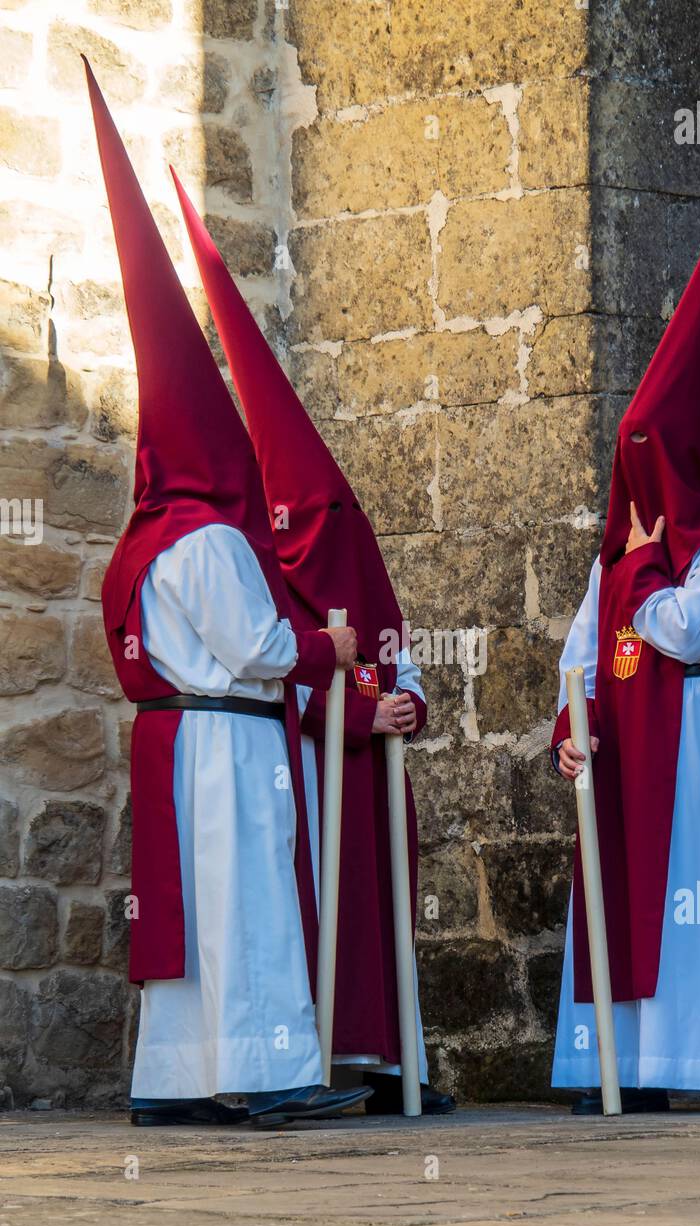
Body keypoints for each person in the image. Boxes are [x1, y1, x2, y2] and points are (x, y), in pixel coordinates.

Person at [85, 59, 372, 1128]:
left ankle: (176, 1078)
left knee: (188, 919)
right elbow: (257, 646)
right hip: (232, 739)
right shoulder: (209, 538)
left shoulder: (143, 539)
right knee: (243, 909)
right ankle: (263, 1073)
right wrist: (328, 649)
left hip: (173, 739)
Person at [173, 172, 456, 1115]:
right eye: (302, 519)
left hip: (370, 777)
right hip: (303, 770)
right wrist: (352, 707)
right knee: (312, 912)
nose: (318, 536)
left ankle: (392, 1065)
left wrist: (404, 703)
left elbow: (395, 652)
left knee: (376, 916)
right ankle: (325, 1064)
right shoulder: (251, 561)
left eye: (333, 518)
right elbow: (269, 669)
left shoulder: (356, 562)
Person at [549, 109, 700, 1117]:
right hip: (620, 745)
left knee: (696, 896)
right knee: (626, 894)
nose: (635, 480)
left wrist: (648, 581)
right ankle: (627, 1066)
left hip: (688, 731)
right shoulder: (613, 559)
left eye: (649, 459)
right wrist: (567, 730)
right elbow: (577, 652)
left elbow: (692, 632)